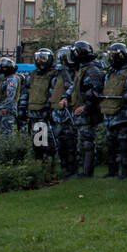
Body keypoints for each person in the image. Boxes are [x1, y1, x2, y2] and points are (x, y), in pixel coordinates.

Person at [61, 41, 104, 178]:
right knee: (82, 142)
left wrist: (85, 107)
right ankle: (83, 170)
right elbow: (74, 87)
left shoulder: (92, 69)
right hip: (80, 111)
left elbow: (96, 91)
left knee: (87, 142)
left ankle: (87, 172)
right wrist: (65, 97)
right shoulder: (82, 69)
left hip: (88, 112)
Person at [99, 43, 127, 179]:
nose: (110, 58)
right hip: (109, 112)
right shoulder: (111, 72)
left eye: (112, 55)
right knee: (111, 144)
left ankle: (126, 172)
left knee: (125, 145)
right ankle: (112, 170)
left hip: (123, 113)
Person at [50, 47, 77, 177]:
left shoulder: (74, 72)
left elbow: (73, 86)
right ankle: (64, 167)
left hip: (68, 110)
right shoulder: (58, 73)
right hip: (57, 111)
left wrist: (65, 97)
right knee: (60, 142)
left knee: (69, 141)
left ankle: (72, 169)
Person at [25, 49, 56, 161]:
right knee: (37, 141)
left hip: (46, 113)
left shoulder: (53, 74)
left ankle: (49, 164)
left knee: (47, 141)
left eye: (43, 58)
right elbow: (26, 92)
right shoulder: (33, 75)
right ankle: (39, 163)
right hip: (34, 112)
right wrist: (22, 107)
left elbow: (53, 93)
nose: (40, 61)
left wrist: (49, 108)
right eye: (38, 58)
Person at [0, 58, 21, 136]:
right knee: (3, 128)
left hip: (7, 108)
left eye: (4, 68)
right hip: (4, 107)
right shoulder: (7, 78)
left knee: (7, 130)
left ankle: (8, 146)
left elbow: (10, 94)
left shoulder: (12, 79)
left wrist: (4, 107)